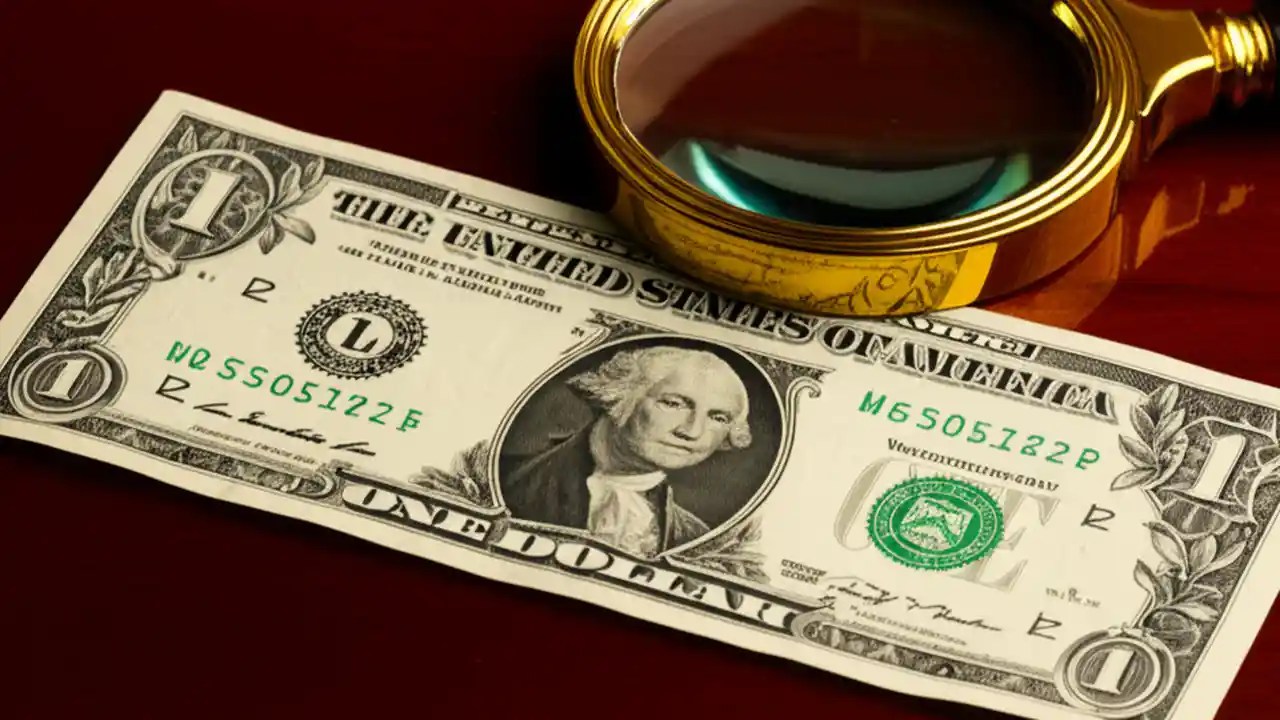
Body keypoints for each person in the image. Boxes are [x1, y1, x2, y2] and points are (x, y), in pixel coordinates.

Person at [499, 345, 754, 557]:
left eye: (718, 418)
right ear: (619, 397)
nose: (692, 431)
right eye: (673, 403)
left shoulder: (694, 537)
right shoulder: (504, 477)